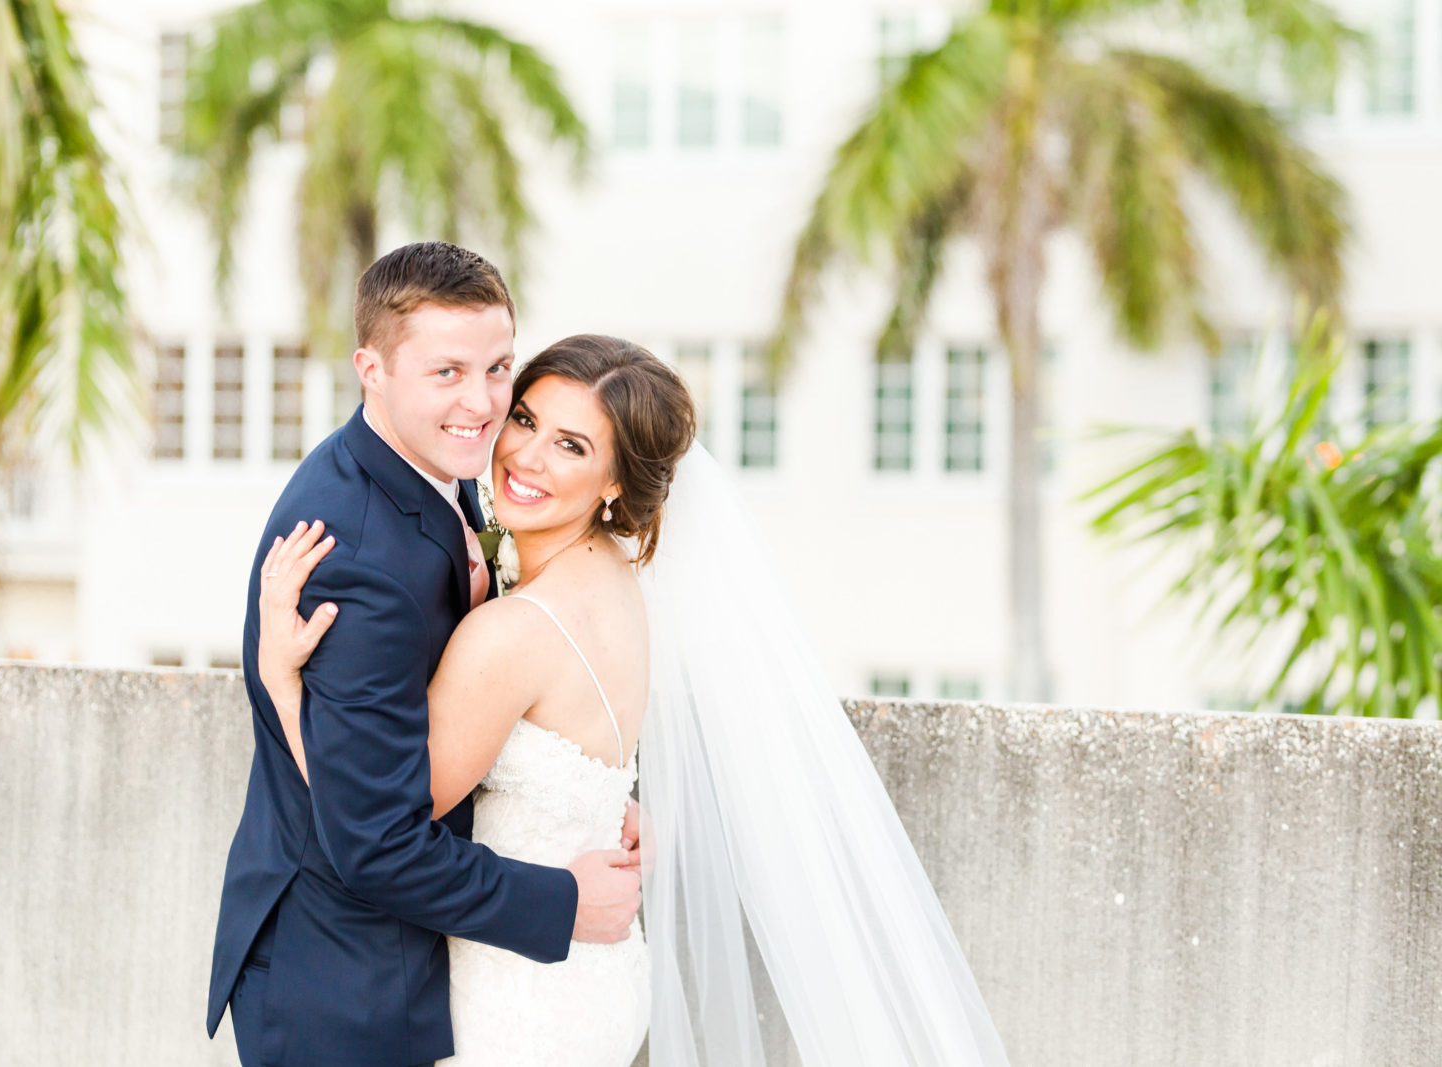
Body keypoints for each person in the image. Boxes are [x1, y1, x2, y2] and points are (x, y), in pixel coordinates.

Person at [258, 332, 1015, 1065]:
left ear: (616, 481)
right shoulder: (621, 581)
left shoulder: (514, 632)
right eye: (525, 419)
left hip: (520, 1000)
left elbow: (378, 819)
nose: (525, 453)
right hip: (603, 978)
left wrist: (280, 680)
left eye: (573, 446)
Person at [205, 244, 643, 1067]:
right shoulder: (349, 557)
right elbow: (374, 838)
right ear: (372, 369)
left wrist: (591, 800)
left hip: (420, 972)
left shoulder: (454, 466)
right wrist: (564, 900)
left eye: (498, 368)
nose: (482, 404)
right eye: (447, 372)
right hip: (346, 991)